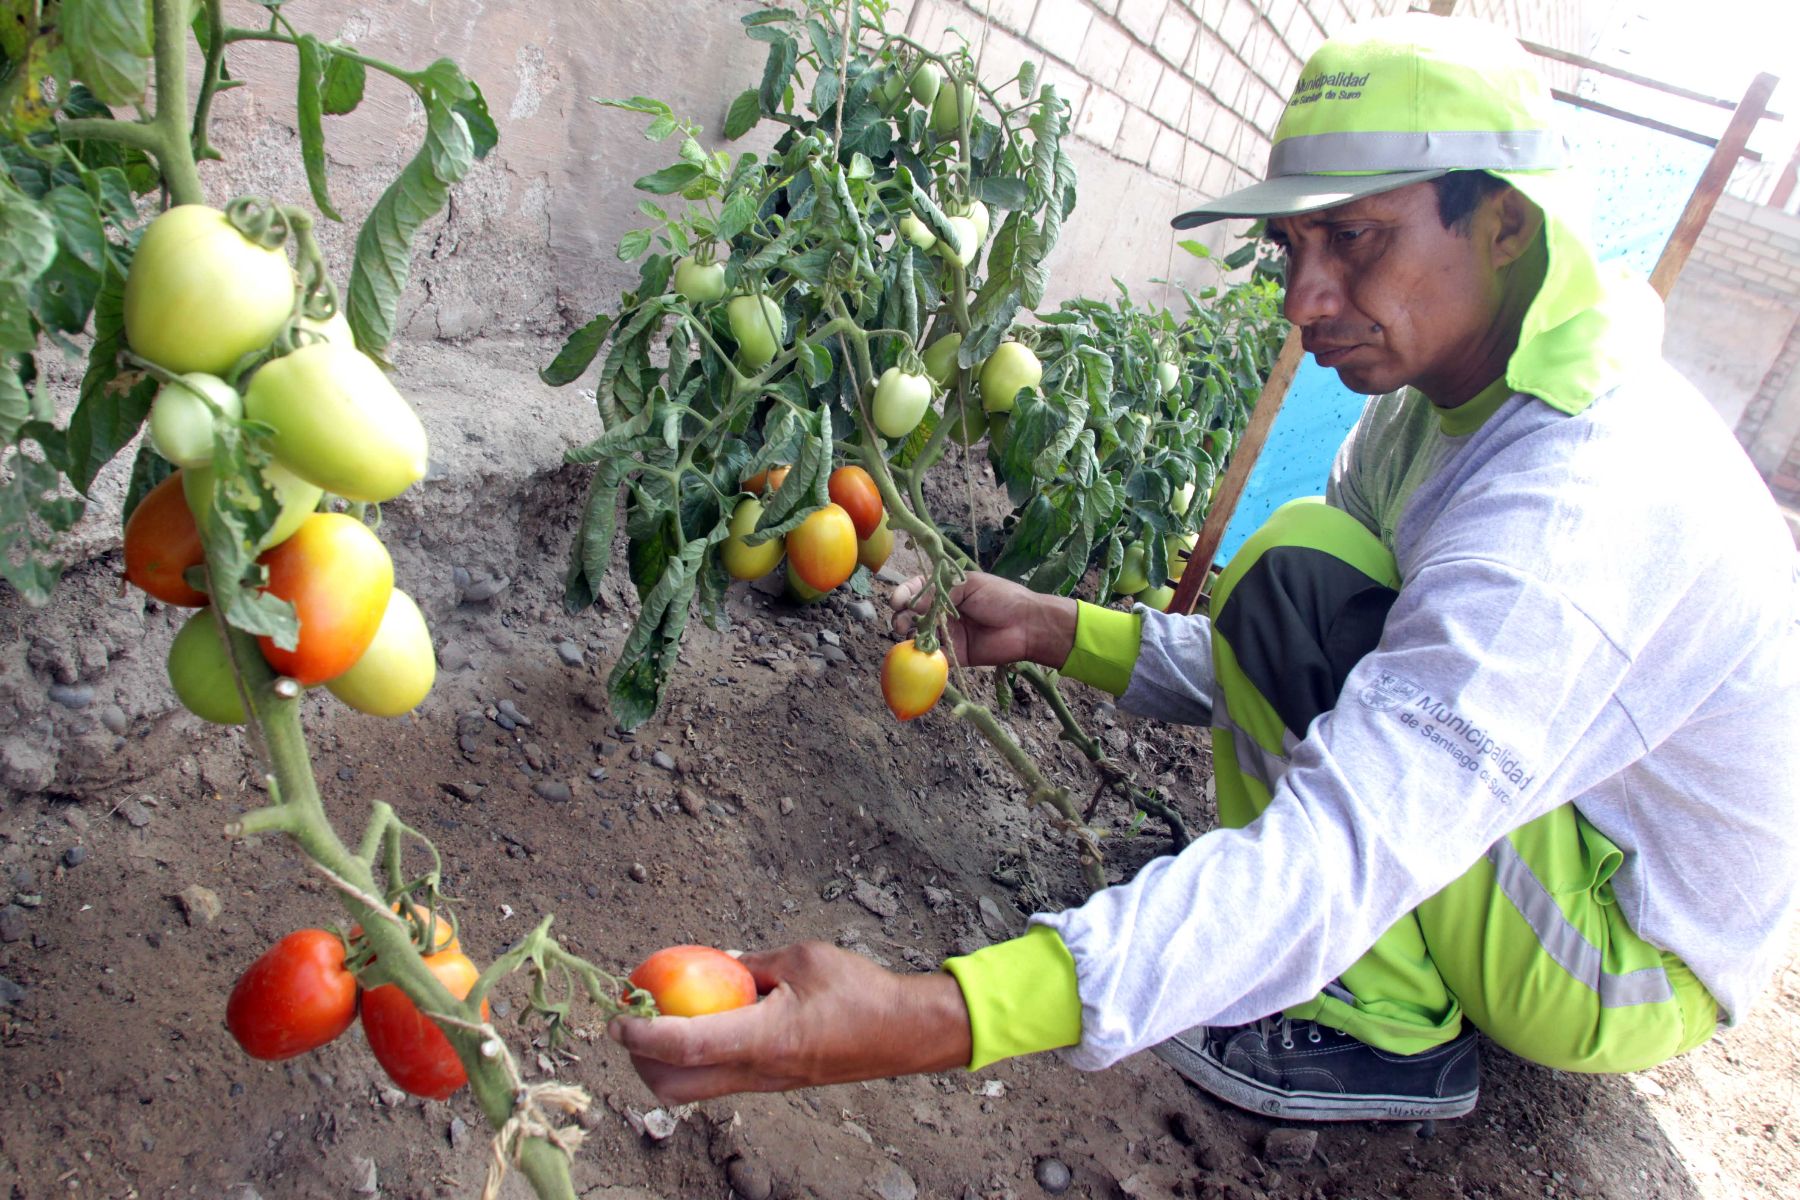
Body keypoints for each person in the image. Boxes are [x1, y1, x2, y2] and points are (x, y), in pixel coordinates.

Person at [609, 14, 1800, 1121]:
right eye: (1292, 245)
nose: (1306, 296)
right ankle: (1363, 973)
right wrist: (1066, 630)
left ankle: (1385, 1032)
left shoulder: (1578, 501)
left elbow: (1359, 832)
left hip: (1624, 951)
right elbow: (1322, 660)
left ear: (1505, 225)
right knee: (1302, 575)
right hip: (1546, 834)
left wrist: (938, 1014)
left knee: (1289, 576)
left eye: (1355, 238)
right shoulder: (1440, 400)